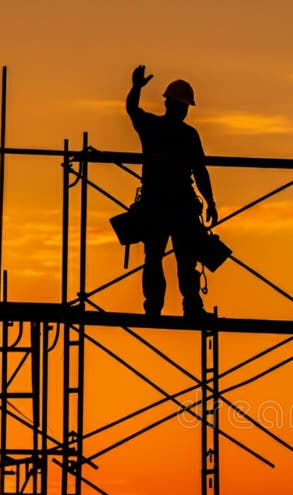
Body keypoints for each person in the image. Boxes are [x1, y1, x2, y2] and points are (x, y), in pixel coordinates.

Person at [126, 64, 218, 320]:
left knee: (154, 257)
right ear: (183, 108)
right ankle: (191, 308)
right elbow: (200, 172)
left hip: (156, 204)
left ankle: (154, 307)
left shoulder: (152, 127)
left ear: (167, 103)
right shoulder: (188, 134)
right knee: (184, 260)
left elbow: (132, 110)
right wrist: (210, 202)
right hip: (178, 206)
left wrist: (135, 88)